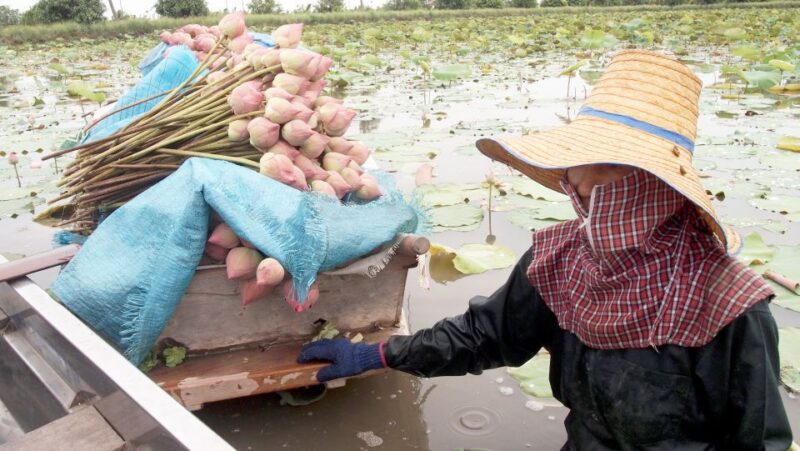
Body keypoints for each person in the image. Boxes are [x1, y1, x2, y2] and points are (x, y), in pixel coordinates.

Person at [297, 50, 794, 449]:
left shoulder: (727, 306)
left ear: (659, 185)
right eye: (577, 164)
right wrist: (382, 354)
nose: (579, 184)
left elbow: (759, 439)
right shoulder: (561, 260)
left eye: (610, 169)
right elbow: (486, 335)